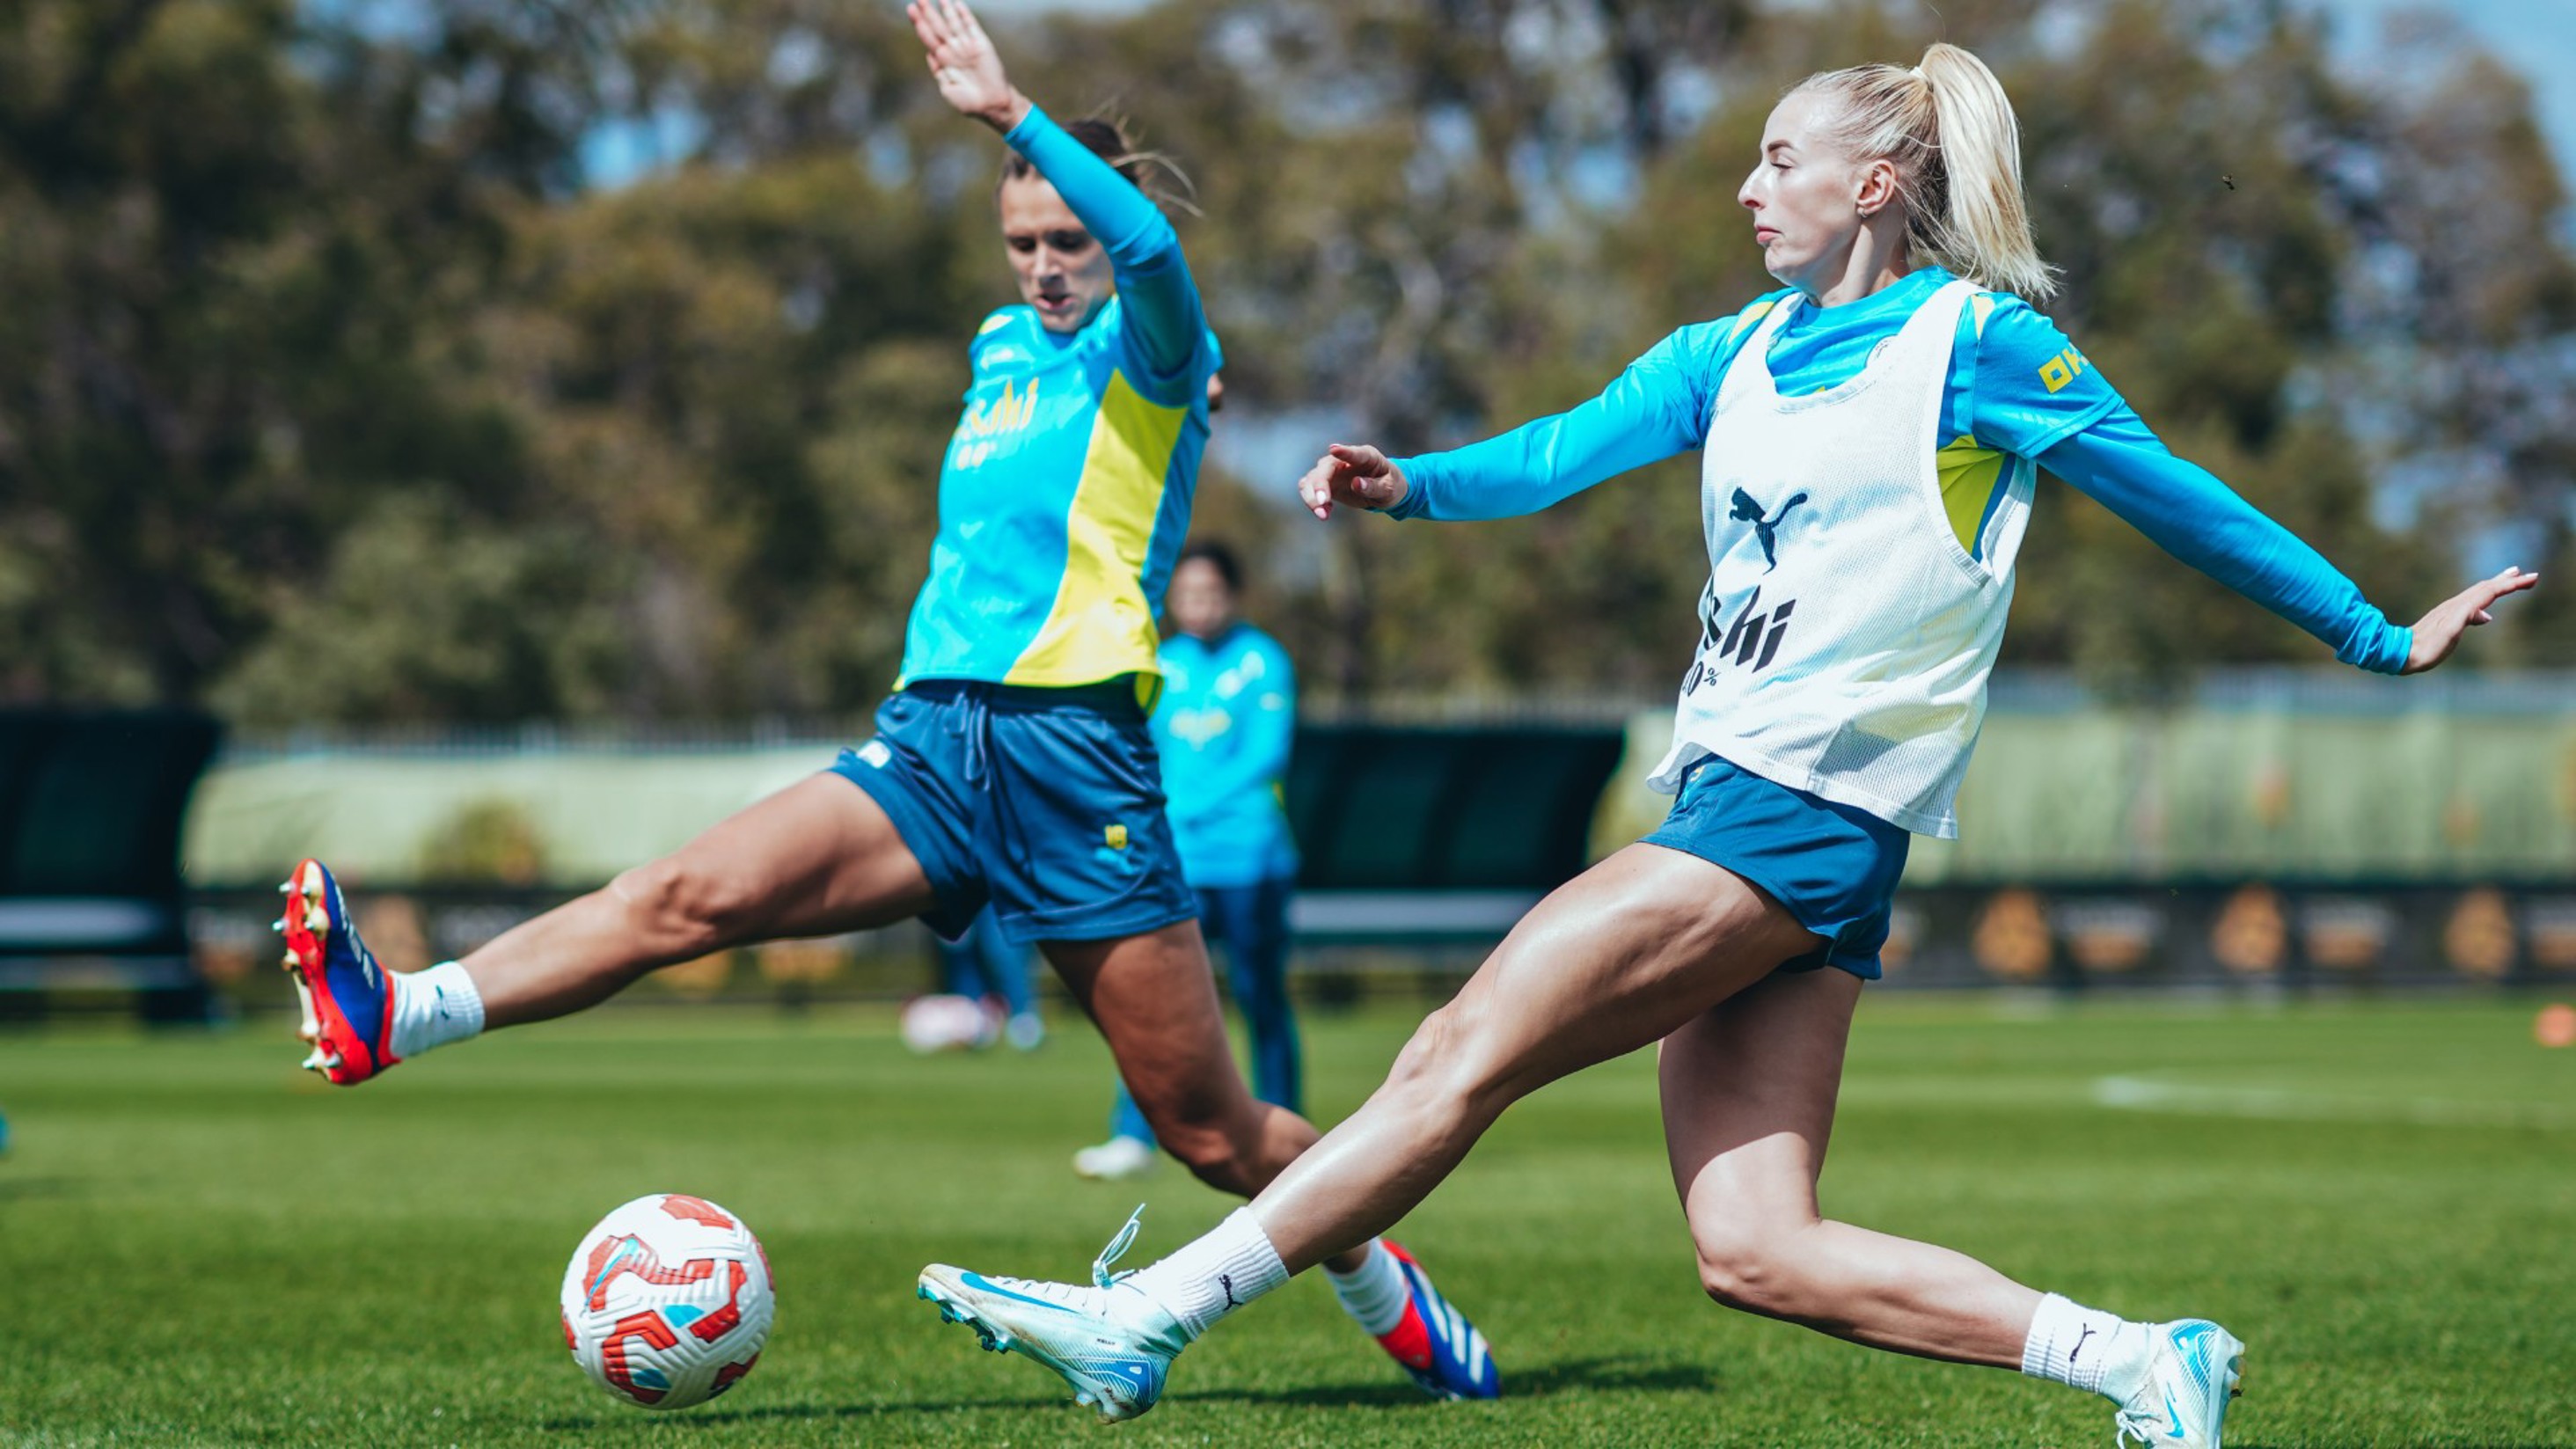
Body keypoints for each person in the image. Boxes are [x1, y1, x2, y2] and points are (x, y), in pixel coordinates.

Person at [912, 41, 2536, 1443]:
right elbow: (1556, 451)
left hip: (1798, 813)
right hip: (1755, 810)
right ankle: (2144, 1356)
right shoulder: (1730, 351)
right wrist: (1409, 480)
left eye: (1779, 160)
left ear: (1881, 183)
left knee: (1452, 1053)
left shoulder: (1971, 348)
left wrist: (2370, 634)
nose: (1748, 189)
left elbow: (2182, 497)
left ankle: (1150, 1321)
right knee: (1753, 1249)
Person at [273, 0, 1495, 1409]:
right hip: (928, 742)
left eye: (1066, 240)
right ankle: (396, 1011)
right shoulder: (998, 350)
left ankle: (1378, 1281)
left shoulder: (1154, 349)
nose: (1044, 266)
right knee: (683, 895)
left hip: (1076, 756)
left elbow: (1155, 252)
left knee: (1212, 1131)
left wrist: (1007, 112)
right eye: (1023, 242)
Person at [1076, 540, 1302, 1180]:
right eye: (1188, 595)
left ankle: (1286, 1134)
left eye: (1210, 593)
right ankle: (1132, 1134)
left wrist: (1185, 803)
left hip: (1251, 859)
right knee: (1152, 1000)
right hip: (1177, 863)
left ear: (1232, 595)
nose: (1198, 606)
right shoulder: (1161, 664)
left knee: (1261, 997)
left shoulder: (1263, 660)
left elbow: (1267, 755)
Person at [938, 906, 1044, 1050]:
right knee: (960, 949)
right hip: (955, 891)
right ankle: (972, 1020)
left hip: (994, 892)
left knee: (1000, 948)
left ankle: (1022, 1017)